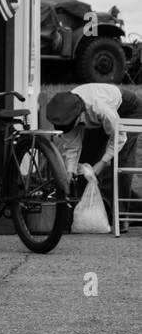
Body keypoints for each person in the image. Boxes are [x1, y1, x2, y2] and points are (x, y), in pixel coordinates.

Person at [45, 83, 142, 228]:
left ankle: (121, 217)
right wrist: (70, 171)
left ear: (79, 116)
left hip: (128, 109)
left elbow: (119, 138)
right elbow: (72, 146)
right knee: (86, 162)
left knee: (119, 162)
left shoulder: (100, 108)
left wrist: (102, 162)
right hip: (96, 116)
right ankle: (86, 210)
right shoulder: (66, 111)